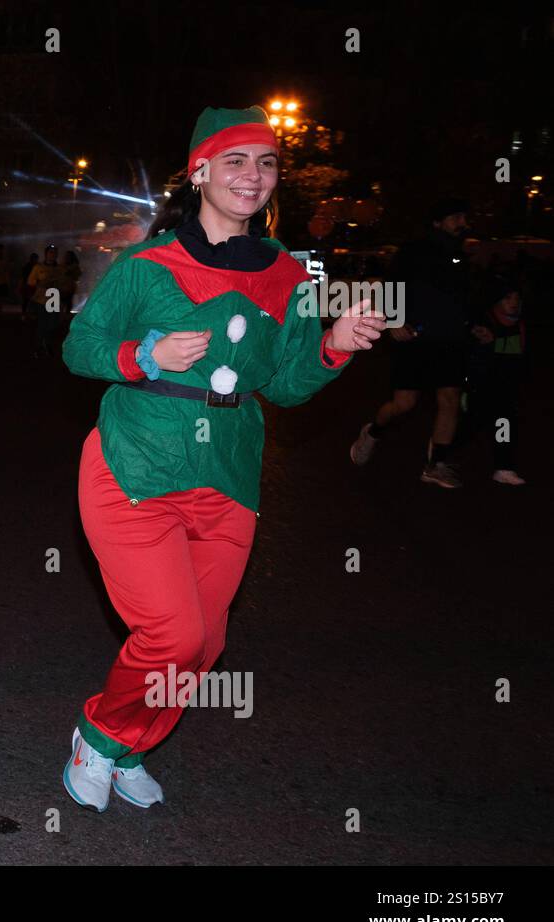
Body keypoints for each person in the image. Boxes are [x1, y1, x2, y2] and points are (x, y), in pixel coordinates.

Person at [60, 105, 384, 812]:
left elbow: (287, 385)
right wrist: (143, 355)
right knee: (172, 634)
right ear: (199, 172)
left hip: (229, 474)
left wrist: (334, 346)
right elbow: (80, 348)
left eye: (267, 163)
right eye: (235, 160)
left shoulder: (289, 276)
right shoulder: (147, 265)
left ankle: (126, 749)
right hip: (137, 463)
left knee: (205, 645)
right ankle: (101, 734)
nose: (253, 176)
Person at [348, 199, 473, 487]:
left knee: (450, 397)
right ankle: (373, 432)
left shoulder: (460, 254)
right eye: (455, 217)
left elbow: (465, 296)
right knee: (404, 403)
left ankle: (436, 464)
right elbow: (391, 285)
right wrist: (393, 321)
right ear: (437, 222)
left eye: (463, 217)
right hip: (415, 338)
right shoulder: (414, 251)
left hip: (451, 338)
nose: (462, 223)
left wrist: (475, 324)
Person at [468, 277, 528, 485]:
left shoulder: (519, 323)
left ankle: (504, 467)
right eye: (507, 298)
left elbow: (520, 356)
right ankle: (441, 450)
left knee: (505, 421)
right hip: (481, 386)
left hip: (505, 387)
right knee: (471, 424)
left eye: (517, 298)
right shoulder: (483, 322)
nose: (514, 302)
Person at [27, 244, 68, 357]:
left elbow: (64, 283)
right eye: (50, 252)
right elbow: (30, 281)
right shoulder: (38, 267)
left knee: (53, 325)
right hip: (41, 300)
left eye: (55, 253)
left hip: (54, 300)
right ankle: (39, 347)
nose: (53, 255)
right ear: (46, 254)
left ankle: (46, 343)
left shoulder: (60, 269)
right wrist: (40, 283)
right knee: (42, 324)